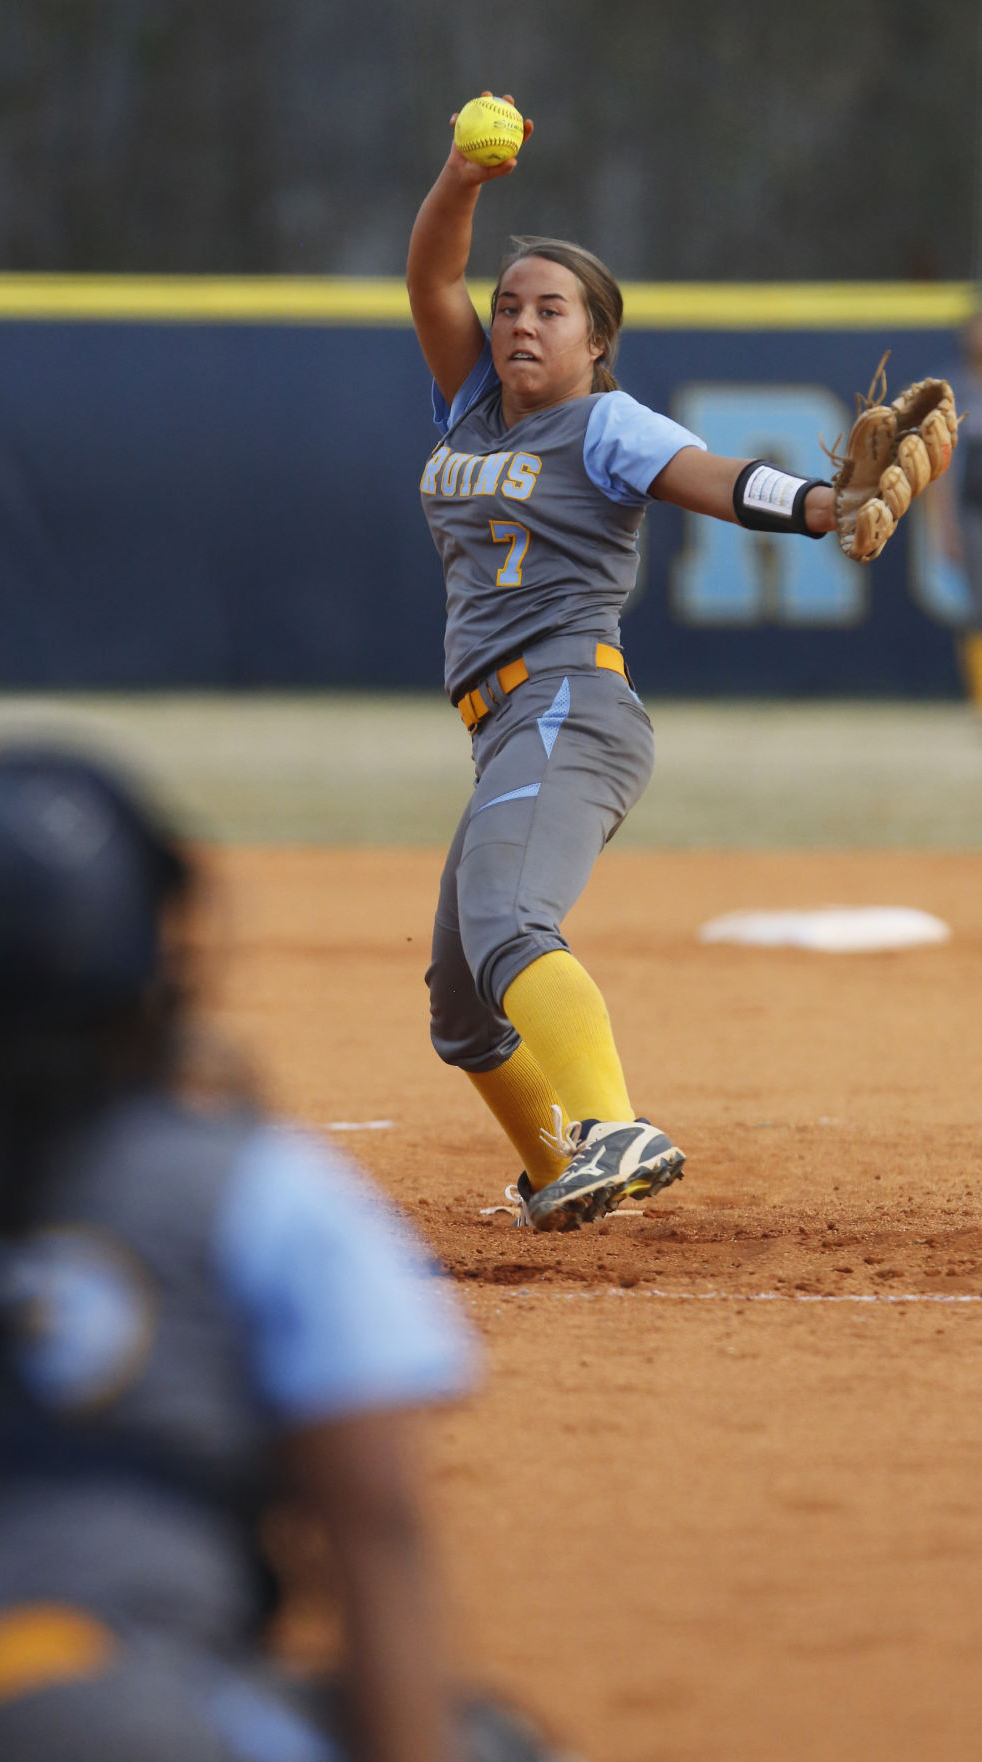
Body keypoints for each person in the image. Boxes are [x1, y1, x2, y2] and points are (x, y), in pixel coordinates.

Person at [0, 742, 568, 1762]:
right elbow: (375, 1531)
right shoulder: (256, 1191)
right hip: (130, 1717)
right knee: (489, 1744)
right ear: (157, 944)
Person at [408, 98, 840, 1232]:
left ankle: (615, 1126)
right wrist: (459, 178)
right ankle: (558, 1165)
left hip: (566, 699)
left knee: (507, 927)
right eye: (508, 305)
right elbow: (426, 280)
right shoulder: (469, 408)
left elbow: (709, 476)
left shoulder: (603, 423)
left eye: (550, 309)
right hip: (502, 725)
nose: (519, 323)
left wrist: (817, 504)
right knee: (461, 1005)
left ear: (596, 340)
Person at [924, 307, 982, 713]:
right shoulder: (951, 391)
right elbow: (939, 470)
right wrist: (945, 527)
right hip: (973, 514)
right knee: (978, 609)